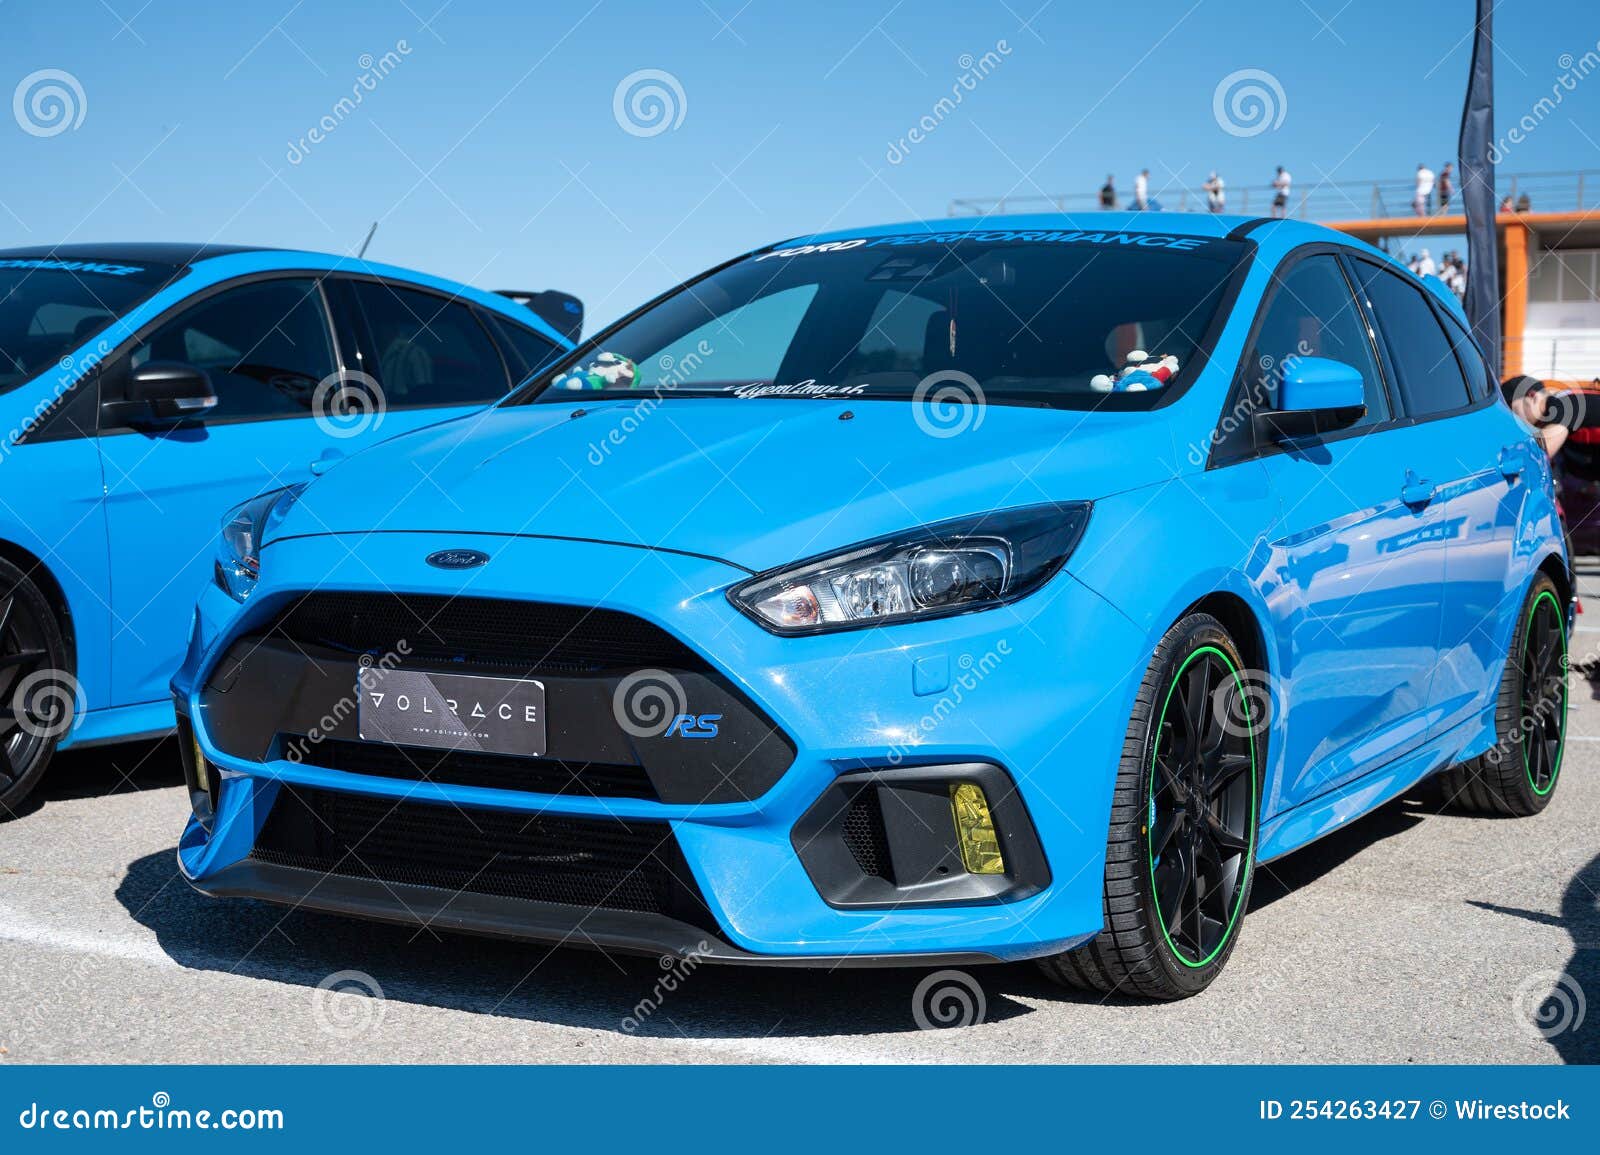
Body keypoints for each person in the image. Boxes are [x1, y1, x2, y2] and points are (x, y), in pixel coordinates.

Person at [1504, 375, 1570, 460]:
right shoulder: (1561, 400)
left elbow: (1538, 456)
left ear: (1532, 395)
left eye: (1514, 412)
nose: (1515, 420)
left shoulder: (1561, 405)